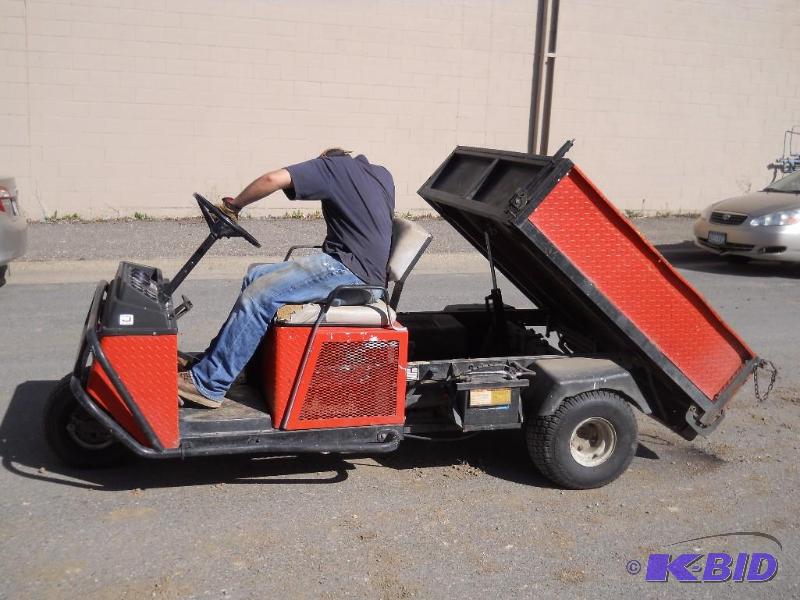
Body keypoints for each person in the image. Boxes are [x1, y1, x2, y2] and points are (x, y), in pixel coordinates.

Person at [178, 148, 395, 408]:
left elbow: (273, 179)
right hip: (361, 271)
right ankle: (223, 365)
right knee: (255, 276)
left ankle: (208, 384)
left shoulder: (332, 168)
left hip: (351, 273)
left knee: (259, 296)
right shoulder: (381, 175)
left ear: (326, 158)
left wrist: (233, 206)